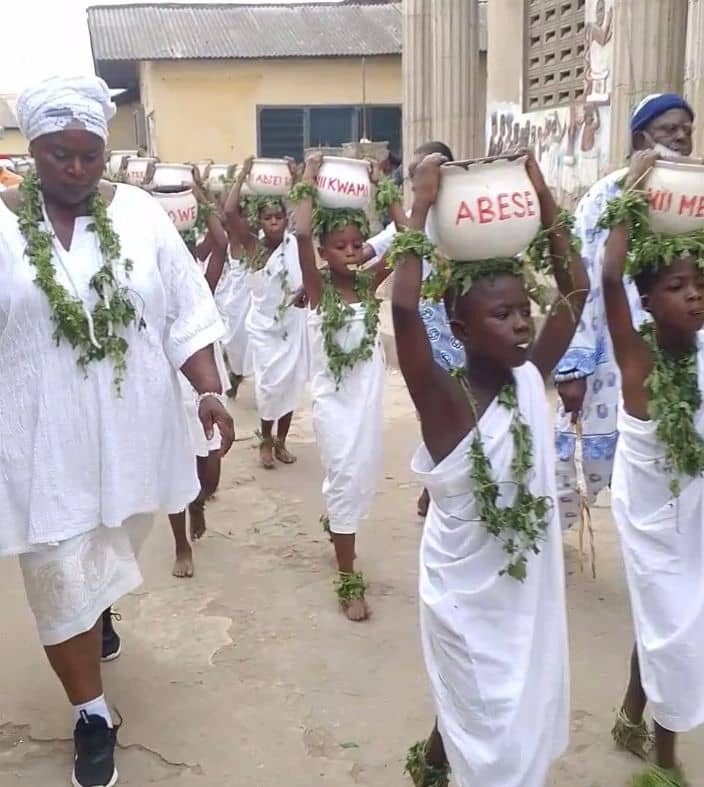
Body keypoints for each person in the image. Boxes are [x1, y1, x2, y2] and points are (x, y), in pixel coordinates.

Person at [0, 75, 234, 787]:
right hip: (38, 438)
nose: (75, 170)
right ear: (30, 150)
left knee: (111, 541)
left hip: (132, 432)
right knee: (55, 569)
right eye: (58, 155)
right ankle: (92, 713)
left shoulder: (138, 215)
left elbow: (182, 312)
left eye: (89, 155)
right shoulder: (2, 225)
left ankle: (98, 610)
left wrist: (210, 388)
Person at [392, 151, 588, 787]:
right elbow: (401, 313)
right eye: (500, 316)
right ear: (460, 328)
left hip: (520, 583)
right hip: (461, 592)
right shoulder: (446, 402)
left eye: (522, 311)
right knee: (483, 705)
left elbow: (578, 290)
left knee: (507, 703)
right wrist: (419, 212)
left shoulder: (531, 377)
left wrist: (545, 202)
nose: (521, 324)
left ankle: (433, 766)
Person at [603, 148, 703, 787]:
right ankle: (666, 765)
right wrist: (634, 190)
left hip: (693, 510)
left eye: (701, 283)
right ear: (647, 298)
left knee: (669, 621)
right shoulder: (639, 361)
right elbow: (609, 277)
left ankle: (629, 715)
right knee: (677, 626)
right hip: (650, 515)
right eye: (676, 285)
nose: (694, 294)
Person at [553, 93, 694, 530]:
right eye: (669, 128)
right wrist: (572, 364)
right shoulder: (605, 197)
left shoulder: (697, 192)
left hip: (687, 351)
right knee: (613, 462)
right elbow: (582, 284)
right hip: (616, 353)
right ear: (640, 138)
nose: (681, 136)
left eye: (687, 128)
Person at [293, 153, 403, 622]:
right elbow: (299, 232)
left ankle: (340, 532)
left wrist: (383, 186)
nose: (353, 251)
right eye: (340, 246)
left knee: (358, 481)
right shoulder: (319, 293)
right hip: (335, 407)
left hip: (366, 404)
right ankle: (347, 578)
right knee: (343, 478)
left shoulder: (369, 285)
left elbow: (411, 240)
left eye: (358, 244)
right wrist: (309, 177)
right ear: (323, 252)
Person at [366, 140, 466, 517]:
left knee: (467, 409)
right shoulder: (415, 217)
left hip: (465, 332)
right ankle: (435, 482)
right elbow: (382, 247)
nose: (417, 184)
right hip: (425, 335)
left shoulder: (465, 215)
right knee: (433, 411)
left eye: (422, 175)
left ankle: (441, 483)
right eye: (412, 177)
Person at [224, 157, 309, 469]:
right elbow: (230, 212)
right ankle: (265, 440)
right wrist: (243, 174)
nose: (274, 222)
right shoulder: (252, 247)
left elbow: (308, 209)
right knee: (268, 386)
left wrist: (298, 175)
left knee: (290, 385)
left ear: (285, 219)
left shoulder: (295, 243)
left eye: (278, 217)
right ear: (259, 221)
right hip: (263, 328)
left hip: (292, 323)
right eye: (267, 218)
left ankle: (282, 442)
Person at [168, 181, 231, 578]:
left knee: (210, 470)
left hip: (202, 376)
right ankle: (180, 545)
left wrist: (202, 197)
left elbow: (221, 242)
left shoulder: (197, 279)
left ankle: (199, 501)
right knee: (174, 466)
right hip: (166, 383)